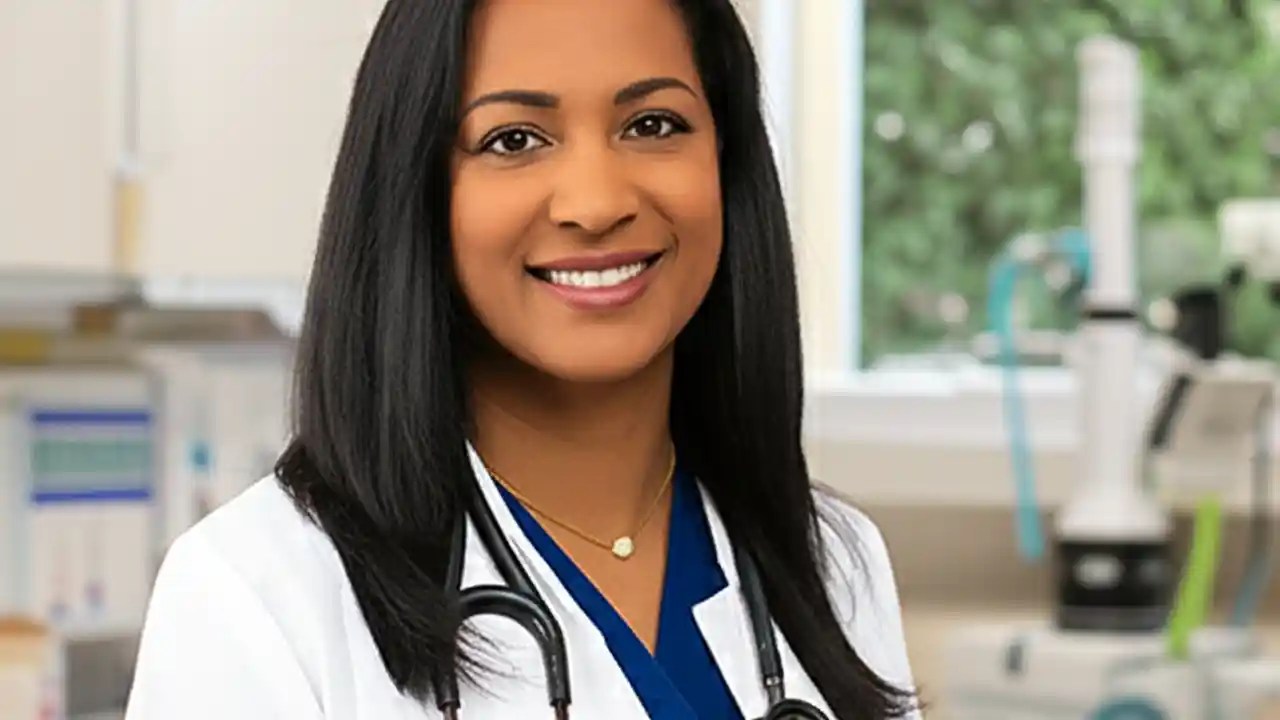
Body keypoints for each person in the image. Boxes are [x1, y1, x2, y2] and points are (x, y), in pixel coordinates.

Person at [124, 0, 921, 718]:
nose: (597, 201)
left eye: (652, 124)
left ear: (729, 161)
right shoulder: (258, 597)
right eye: (514, 139)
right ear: (418, 192)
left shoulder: (833, 563)